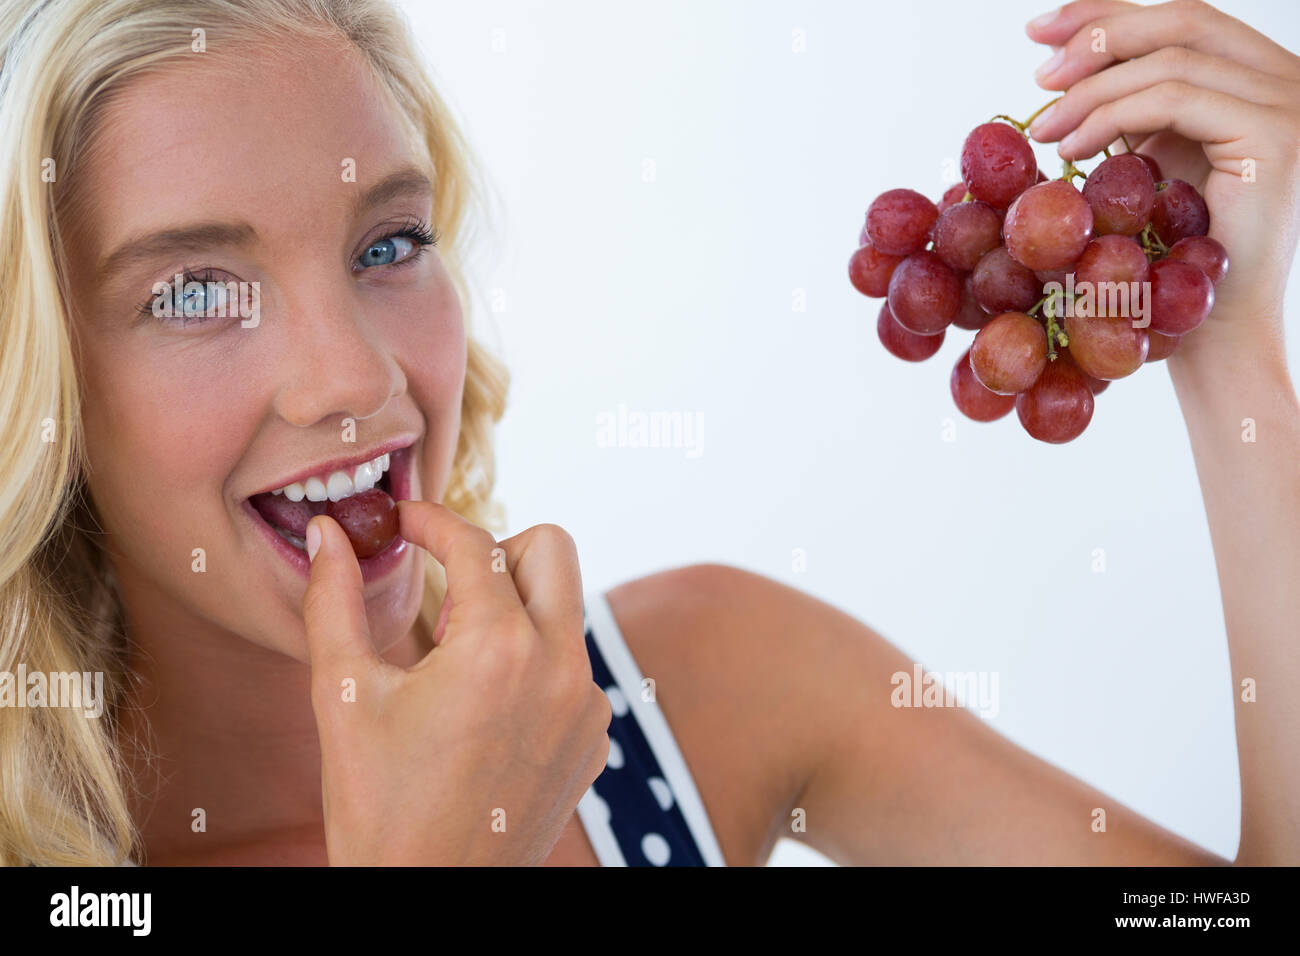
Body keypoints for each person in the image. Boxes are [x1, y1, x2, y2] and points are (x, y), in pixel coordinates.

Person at [0, 0, 1296, 866]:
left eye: (388, 245)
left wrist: (1226, 333)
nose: (354, 376)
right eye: (194, 293)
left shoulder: (699, 690)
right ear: (42, 375)